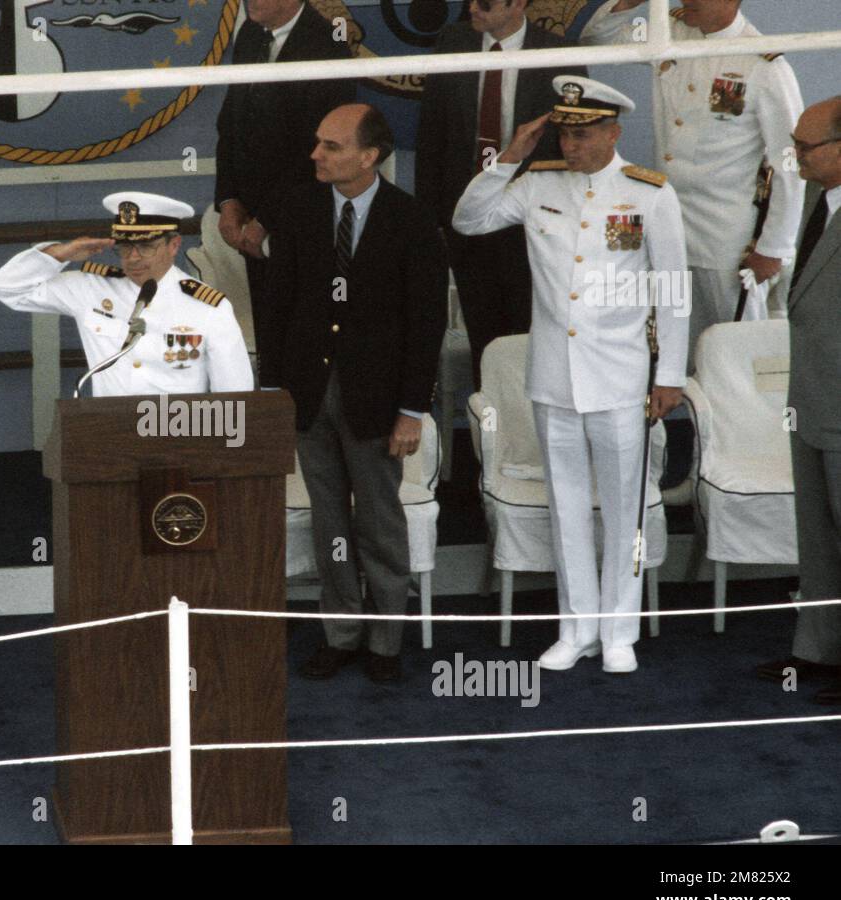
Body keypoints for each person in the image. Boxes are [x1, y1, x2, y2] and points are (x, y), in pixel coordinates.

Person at [453, 77, 689, 674]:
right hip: (554, 375)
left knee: (625, 509)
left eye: (583, 132)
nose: (572, 142)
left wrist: (671, 375)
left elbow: (674, 293)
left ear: (614, 132)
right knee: (566, 509)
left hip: (620, 375)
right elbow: (468, 220)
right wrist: (511, 152)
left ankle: (619, 631)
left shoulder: (650, 195)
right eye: (564, 131)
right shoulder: (537, 184)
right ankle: (576, 626)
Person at [262, 103, 447, 683]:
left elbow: (426, 324)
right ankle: (341, 633)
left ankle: (386, 644)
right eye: (318, 143)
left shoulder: (412, 221)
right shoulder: (296, 210)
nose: (316, 154)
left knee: (379, 523)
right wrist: (275, 392)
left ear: (369, 157)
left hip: (379, 404)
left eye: (331, 146)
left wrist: (412, 410)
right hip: (310, 397)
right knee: (329, 525)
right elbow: (276, 308)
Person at [582, 0, 804, 371]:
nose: (687, 1)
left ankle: (741, 429)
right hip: (666, 227)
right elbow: (598, 39)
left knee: (736, 355)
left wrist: (774, 247)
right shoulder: (668, 33)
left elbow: (790, 163)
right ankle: (680, 426)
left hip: (726, 239)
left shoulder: (762, 64)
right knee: (666, 346)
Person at [416, 0, 585, 388]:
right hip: (467, 224)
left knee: (536, 341)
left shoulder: (560, 55)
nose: (473, 8)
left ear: (519, 3)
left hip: (534, 226)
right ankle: (492, 441)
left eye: (487, 3)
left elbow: (573, 152)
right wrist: (430, 224)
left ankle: (536, 435)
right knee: (486, 345)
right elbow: (432, 137)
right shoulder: (452, 43)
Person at [0, 191, 253, 396]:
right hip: (110, 438)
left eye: (146, 247)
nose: (133, 258)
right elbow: (8, 288)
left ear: (174, 245)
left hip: (180, 436)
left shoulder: (207, 307)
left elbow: (234, 393)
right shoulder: (91, 288)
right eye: (125, 248)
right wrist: (62, 253)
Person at [755, 97, 841, 706]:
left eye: (806, 147)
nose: (796, 156)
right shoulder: (815, 201)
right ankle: (817, 649)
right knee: (816, 536)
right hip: (810, 396)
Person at [214, 0, 356, 345]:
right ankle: (274, 398)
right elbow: (231, 123)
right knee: (270, 336)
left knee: (305, 340)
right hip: (251, 223)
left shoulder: (327, 46)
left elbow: (315, 152)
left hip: (304, 223)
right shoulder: (249, 35)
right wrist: (229, 199)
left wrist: (266, 219)